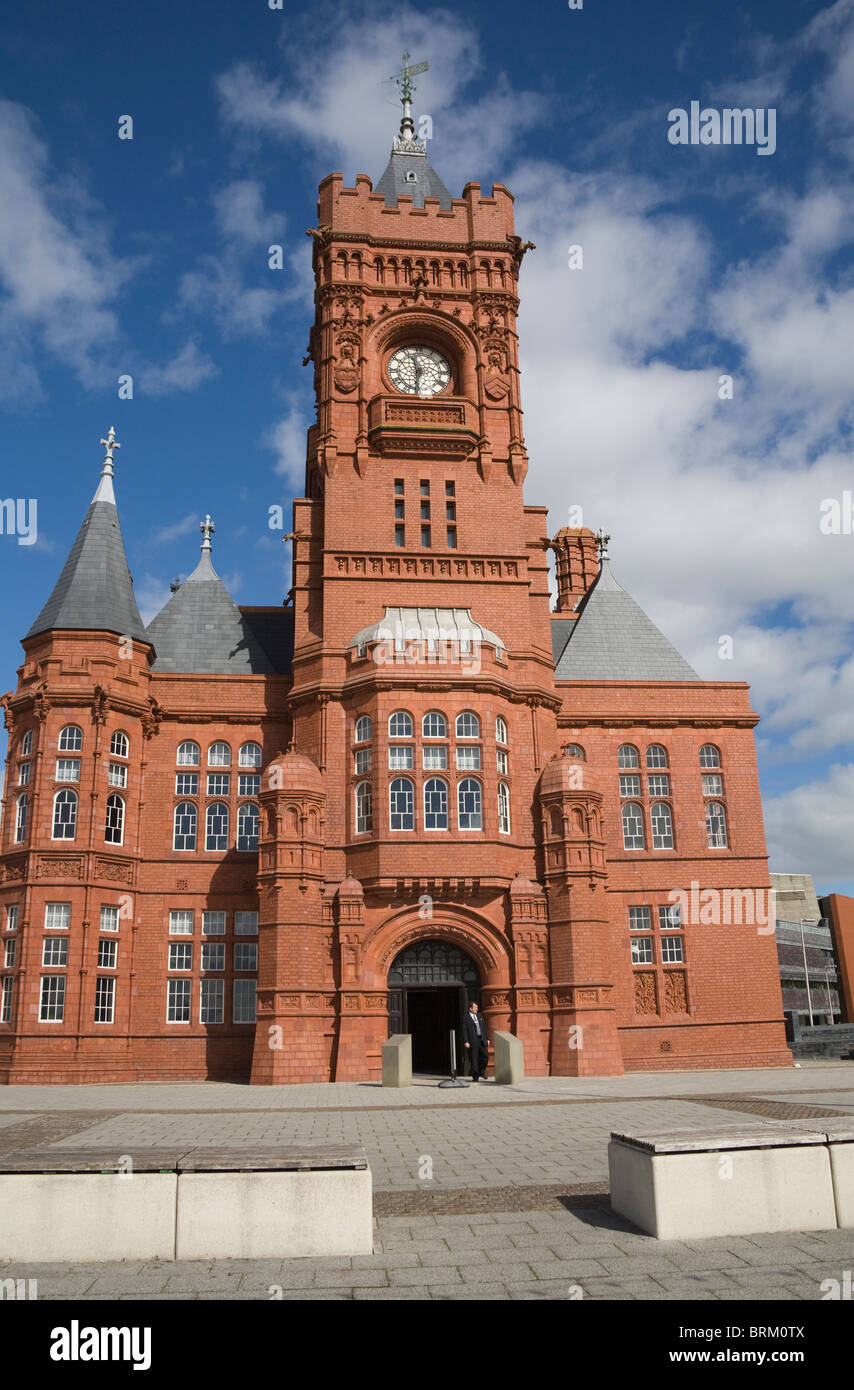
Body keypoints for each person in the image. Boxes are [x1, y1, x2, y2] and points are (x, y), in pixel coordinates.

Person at [462, 1001, 488, 1081]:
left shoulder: (479, 1015)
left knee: (485, 1056)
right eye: (475, 1007)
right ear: (470, 1008)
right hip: (472, 1040)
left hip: (481, 1039)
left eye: (477, 1007)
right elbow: (464, 1030)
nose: (477, 1009)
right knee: (474, 1059)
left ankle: (482, 1071)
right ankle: (475, 1076)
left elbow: (484, 1027)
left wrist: (487, 1038)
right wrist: (466, 1041)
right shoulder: (465, 1017)